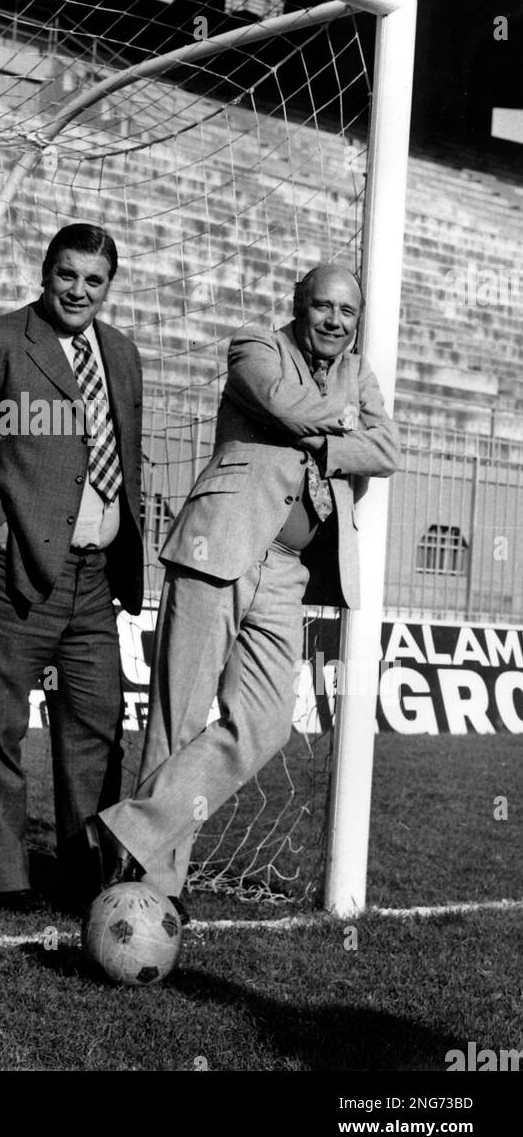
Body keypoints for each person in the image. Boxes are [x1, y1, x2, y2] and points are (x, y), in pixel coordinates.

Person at [86, 264, 400, 910]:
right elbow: (280, 403)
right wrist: (346, 424)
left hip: (287, 568)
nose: (334, 322)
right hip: (217, 547)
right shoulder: (255, 343)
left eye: (346, 312)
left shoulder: (357, 372)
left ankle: (125, 830)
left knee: (264, 724)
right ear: (297, 306)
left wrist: (332, 438)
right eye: (321, 307)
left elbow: (388, 450)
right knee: (178, 717)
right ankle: (150, 891)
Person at [0, 224, 143, 912]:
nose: (78, 290)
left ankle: (83, 876)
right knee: (1, 723)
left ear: (109, 286)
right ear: (45, 273)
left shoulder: (122, 354)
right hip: (10, 566)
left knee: (96, 724)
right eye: (66, 274)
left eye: (93, 279)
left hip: (94, 576)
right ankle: (0, 876)